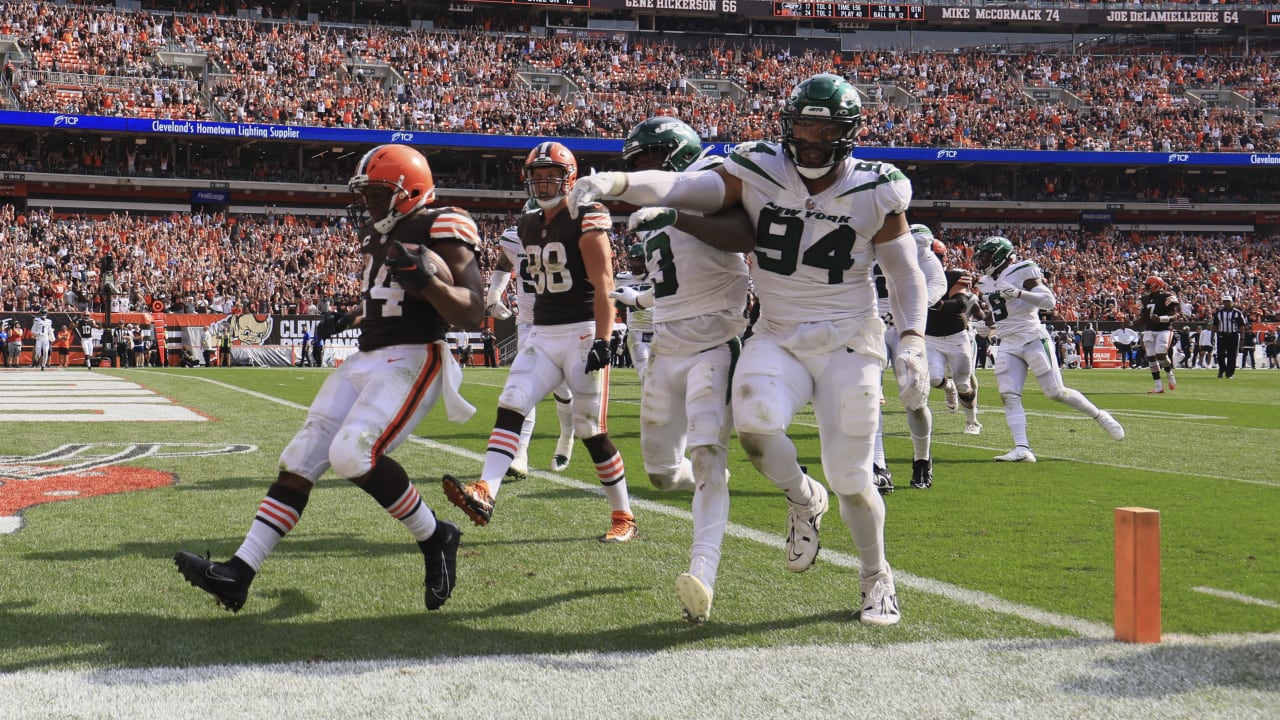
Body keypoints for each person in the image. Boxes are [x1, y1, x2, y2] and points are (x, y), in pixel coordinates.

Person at [568, 73, 934, 626]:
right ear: (788, 125)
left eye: (825, 129)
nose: (811, 140)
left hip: (848, 341)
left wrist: (912, 340)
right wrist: (617, 182)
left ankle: (875, 575)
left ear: (848, 132)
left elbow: (904, 276)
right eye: (803, 126)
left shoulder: (875, 187)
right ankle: (802, 497)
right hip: (778, 333)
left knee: (852, 477)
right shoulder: (759, 166)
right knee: (755, 429)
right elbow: (684, 187)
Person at [174, 143, 483, 613]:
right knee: (299, 458)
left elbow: (473, 311)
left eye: (378, 191)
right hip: (368, 355)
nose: (369, 201)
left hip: (413, 357)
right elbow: (388, 296)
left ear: (409, 190)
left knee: (352, 454)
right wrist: (353, 316)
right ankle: (240, 572)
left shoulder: (442, 223)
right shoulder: (378, 234)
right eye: (366, 192)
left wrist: (430, 281)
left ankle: (435, 535)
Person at [442, 141, 637, 543]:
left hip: (582, 331)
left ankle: (624, 516)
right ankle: (486, 490)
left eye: (552, 176)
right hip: (544, 333)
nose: (544, 184)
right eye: (538, 176)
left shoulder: (586, 216)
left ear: (570, 178)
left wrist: (604, 339)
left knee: (589, 428)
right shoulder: (528, 224)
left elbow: (604, 284)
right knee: (512, 402)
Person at [606, 116, 751, 623]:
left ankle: (702, 575)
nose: (642, 171)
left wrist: (677, 213)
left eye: (647, 159)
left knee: (707, 456)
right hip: (667, 347)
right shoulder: (651, 216)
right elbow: (672, 279)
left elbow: (742, 237)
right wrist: (635, 298)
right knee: (663, 476)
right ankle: (715, 479)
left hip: (715, 342)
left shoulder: (712, 184)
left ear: (673, 154)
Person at [972, 235, 1125, 462]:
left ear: (999, 256)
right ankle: (1022, 448)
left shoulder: (1021, 270)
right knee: (1008, 394)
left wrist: (1019, 293)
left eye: (985, 256)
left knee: (1055, 392)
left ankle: (1100, 416)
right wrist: (986, 325)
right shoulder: (985, 282)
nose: (981, 261)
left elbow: (1049, 302)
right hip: (1008, 342)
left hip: (1032, 337)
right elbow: (1000, 312)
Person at [483, 213, 577, 476]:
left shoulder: (568, 237)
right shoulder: (515, 239)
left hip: (559, 322)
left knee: (561, 387)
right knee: (524, 386)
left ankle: (567, 433)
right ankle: (519, 453)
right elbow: (504, 263)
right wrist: (494, 295)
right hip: (527, 323)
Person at [869, 223, 948, 494]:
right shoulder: (864, 236)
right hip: (872, 326)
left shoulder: (915, 241)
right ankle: (878, 466)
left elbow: (937, 283)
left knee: (915, 398)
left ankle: (922, 458)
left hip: (907, 327)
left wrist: (914, 307)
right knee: (868, 395)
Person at [615, 242, 655, 388]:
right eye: (633, 260)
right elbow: (620, 305)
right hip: (637, 333)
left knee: (663, 378)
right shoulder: (622, 279)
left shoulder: (657, 275)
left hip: (661, 332)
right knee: (646, 376)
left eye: (639, 259)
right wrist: (628, 325)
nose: (636, 264)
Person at [1137, 275, 1180, 394]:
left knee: (1160, 355)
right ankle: (1158, 386)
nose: (1146, 288)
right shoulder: (1144, 299)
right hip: (1150, 330)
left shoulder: (1167, 296)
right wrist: (1130, 323)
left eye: (1148, 285)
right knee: (1151, 357)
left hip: (1164, 329)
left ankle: (1169, 373)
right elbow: (1144, 319)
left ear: (1156, 285)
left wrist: (1160, 319)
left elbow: (1175, 316)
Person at [1212, 296, 1246, 379]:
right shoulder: (1218, 313)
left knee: (1232, 355)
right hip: (1222, 335)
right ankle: (1222, 369)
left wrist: (1242, 338)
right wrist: (1212, 335)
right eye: (1225, 301)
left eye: (1228, 301)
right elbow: (1215, 325)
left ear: (1232, 302)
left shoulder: (1237, 313)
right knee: (1220, 354)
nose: (1226, 303)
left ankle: (1229, 373)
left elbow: (1241, 326)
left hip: (1233, 335)